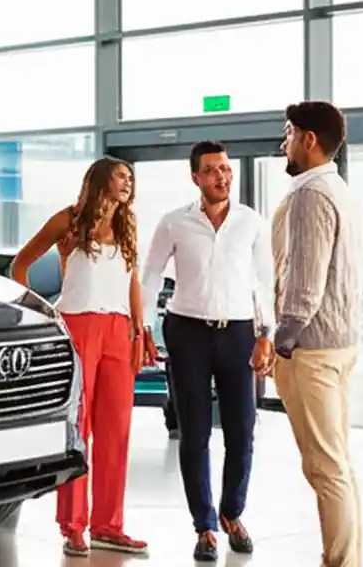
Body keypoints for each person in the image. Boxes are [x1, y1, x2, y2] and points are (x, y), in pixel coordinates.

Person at [9, 156, 155, 558]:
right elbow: (20, 265)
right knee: (79, 427)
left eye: (131, 177)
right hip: (78, 328)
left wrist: (140, 329)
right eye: (121, 175)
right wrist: (40, 313)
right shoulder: (69, 221)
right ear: (101, 179)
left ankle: (110, 525)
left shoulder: (127, 223)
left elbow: (132, 279)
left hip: (119, 332)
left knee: (117, 430)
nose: (128, 182)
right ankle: (73, 526)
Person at [138, 141, 276, 562]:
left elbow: (265, 281)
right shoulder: (174, 222)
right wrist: (145, 327)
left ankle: (232, 513)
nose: (222, 176)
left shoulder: (251, 222)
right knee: (194, 434)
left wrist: (266, 333)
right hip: (188, 334)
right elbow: (150, 275)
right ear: (195, 176)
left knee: (242, 431)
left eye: (226, 169)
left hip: (238, 333)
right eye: (212, 170)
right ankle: (205, 527)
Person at [265, 101, 363, 567]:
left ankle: (340, 563)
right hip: (339, 344)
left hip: (313, 351)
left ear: (309, 139)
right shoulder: (338, 188)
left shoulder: (310, 194)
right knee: (337, 464)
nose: (284, 142)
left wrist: (280, 343)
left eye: (288, 133)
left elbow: (304, 286)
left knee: (325, 469)